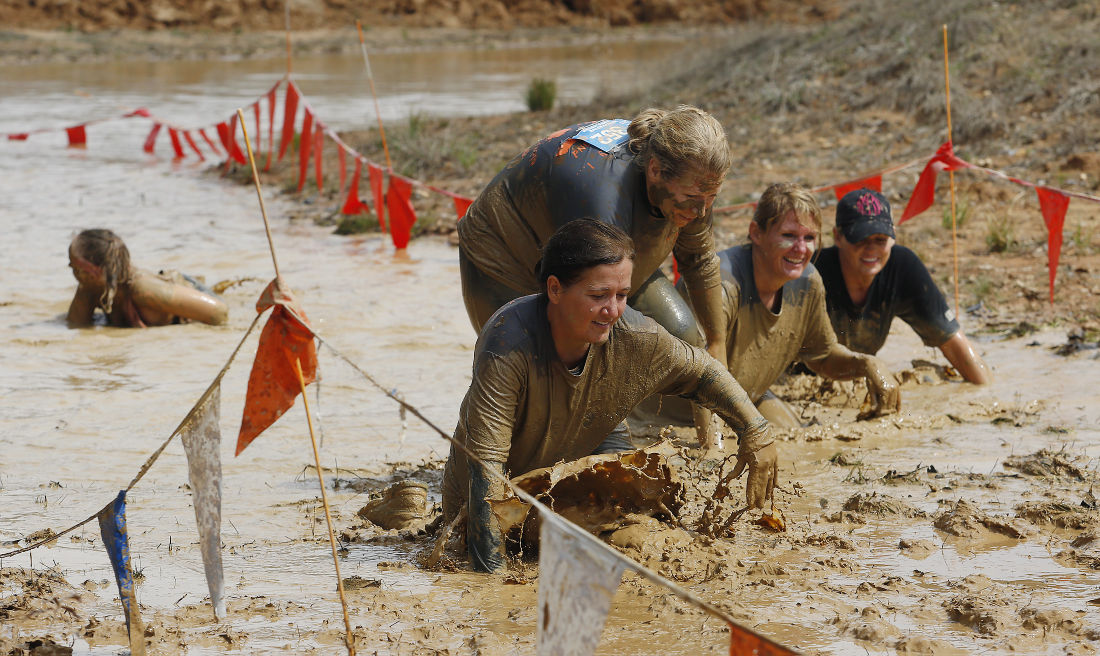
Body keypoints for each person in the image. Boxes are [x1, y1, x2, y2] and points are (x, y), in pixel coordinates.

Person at [442, 219, 778, 572]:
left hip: (568, 487)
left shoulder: (634, 334)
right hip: (482, 508)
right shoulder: (507, 345)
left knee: (648, 529)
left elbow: (704, 372)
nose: (613, 311)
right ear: (555, 289)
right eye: (598, 296)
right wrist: (489, 583)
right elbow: (486, 472)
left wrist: (756, 431)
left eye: (622, 295)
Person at [457, 106, 731, 448]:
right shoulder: (602, 190)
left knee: (684, 332)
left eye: (711, 199)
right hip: (504, 253)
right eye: (693, 200)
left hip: (608, 244)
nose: (702, 211)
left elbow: (700, 260)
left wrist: (716, 342)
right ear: (656, 170)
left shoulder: (695, 181)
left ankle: (710, 443)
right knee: (539, 375)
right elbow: (599, 320)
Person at [657, 182, 900, 428]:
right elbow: (704, 376)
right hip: (674, 419)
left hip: (746, 398)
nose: (801, 248)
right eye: (788, 235)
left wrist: (869, 364)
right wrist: (713, 452)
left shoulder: (808, 281)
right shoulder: (720, 285)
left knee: (800, 437)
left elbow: (823, 356)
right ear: (756, 233)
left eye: (809, 238)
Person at [813, 188, 992, 384]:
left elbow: (953, 342)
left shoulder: (903, 267)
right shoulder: (814, 271)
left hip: (858, 375)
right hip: (803, 374)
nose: (871, 249)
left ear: (893, 237)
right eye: (860, 239)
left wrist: (986, 391)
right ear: (838, 237)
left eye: (880, 240)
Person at [66, 228, 228, 328]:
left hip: (190, 291)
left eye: (74, 267)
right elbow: (75, 326)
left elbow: (219, 313)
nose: (71, 271)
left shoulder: (143, 291)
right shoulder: (91, 289)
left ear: (89, 273)